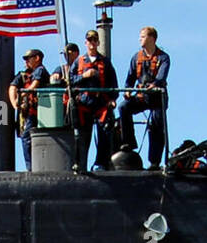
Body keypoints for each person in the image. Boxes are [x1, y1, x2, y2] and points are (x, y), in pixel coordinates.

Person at [118, 26, 171, 171]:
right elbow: (130, 78)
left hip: (156, 97)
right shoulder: (136, 58)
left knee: (156, 123)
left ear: (152, 38)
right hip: (142, 96)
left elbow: (161, 78)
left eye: (142, 36)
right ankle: (128, 142)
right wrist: (128, 90)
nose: (140, 39)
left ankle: (154, 161)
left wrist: (153, 85)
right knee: (123, 107)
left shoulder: (163, 58)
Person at [71, 30, 119, 171]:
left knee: (103, 135)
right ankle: (80, 164)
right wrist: (84, 76)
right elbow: (71, 82)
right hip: (84, 103)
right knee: (82, 137)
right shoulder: (78, 62)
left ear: (98, 42)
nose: (92, 43)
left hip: (100, 103)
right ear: (86, 43)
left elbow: (113, 84)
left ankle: (101, 163)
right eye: (89, 40)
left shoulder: (105, 62)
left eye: (94, 40)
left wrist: (112, 99)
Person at [8, 49, 50, 171]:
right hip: (30, 112)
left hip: (40, 112)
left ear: (37, 58)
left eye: (28, 59)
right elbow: (13, 87)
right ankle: (32, 166)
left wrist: (23, 95)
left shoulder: (40, 70)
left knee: (27, 136)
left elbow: (34, 85)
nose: (26, 62)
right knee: (26, 136)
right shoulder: (25, 74)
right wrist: (14, 103)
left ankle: (31, 167)